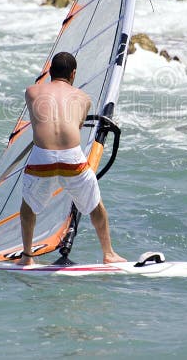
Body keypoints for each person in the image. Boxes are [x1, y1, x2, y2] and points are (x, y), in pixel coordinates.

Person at [17, 51, 126, 265]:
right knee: (95, 205)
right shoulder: (84, 98)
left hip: (42, 159)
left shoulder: (31, 92)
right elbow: (76, 125)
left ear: (50, 71)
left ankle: (27, 257)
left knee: (28, 207)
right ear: (73, 74)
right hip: (72, 159)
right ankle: (109, 254)